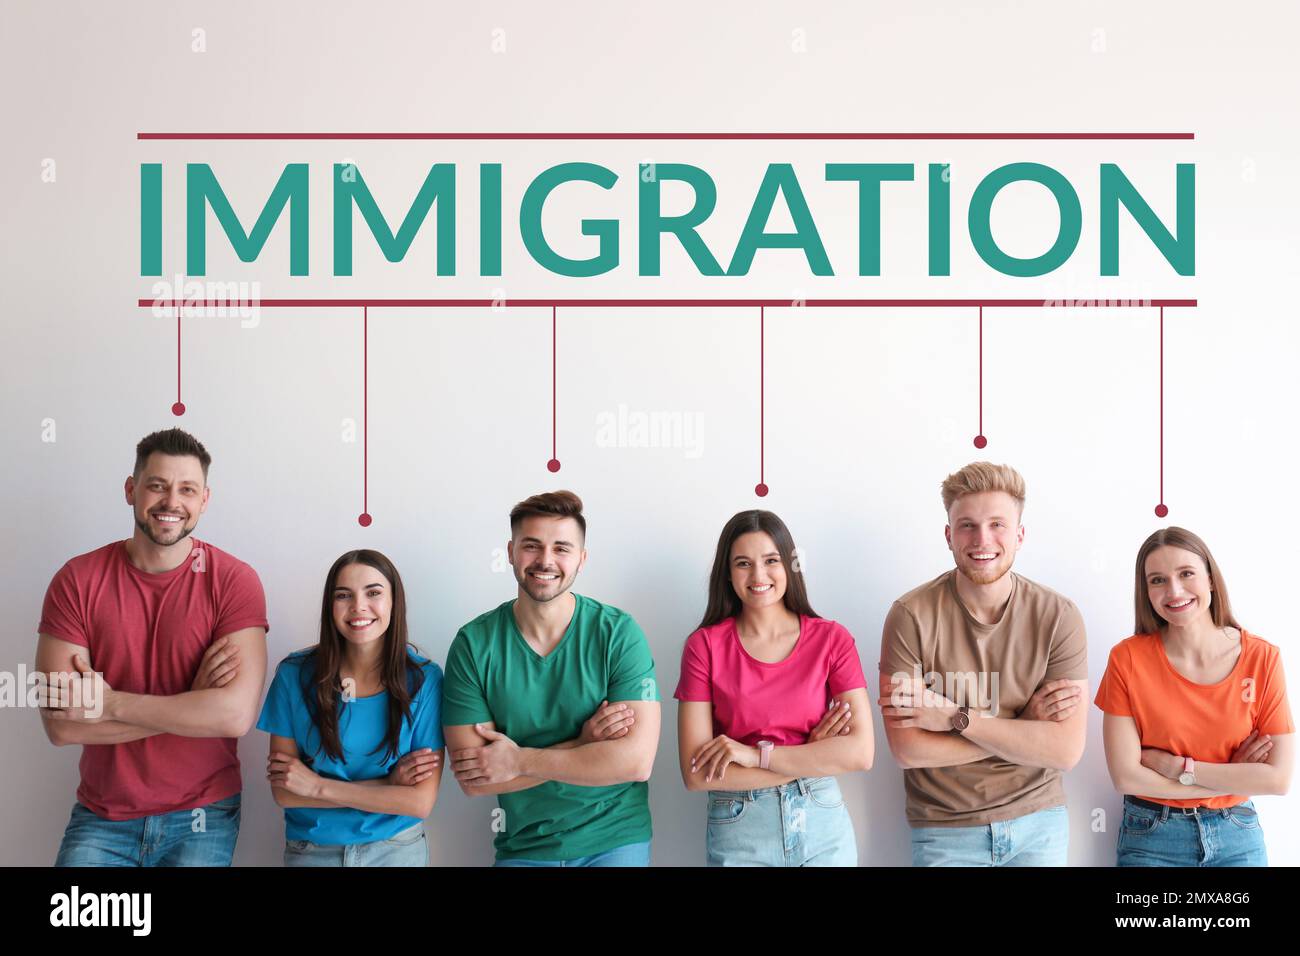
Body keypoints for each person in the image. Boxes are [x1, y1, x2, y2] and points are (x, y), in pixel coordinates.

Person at [37, 428, 268, 866]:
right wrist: (190, 705)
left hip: (203, 813)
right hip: (103, 816)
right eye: (157, 485)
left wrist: (107, 704)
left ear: (204, 500)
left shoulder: (233, 581)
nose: (171, 502)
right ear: (131, 490)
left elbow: (234, 716)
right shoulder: (77, 581)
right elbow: (62, 726)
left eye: (187, 490)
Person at [877, 461, 1088, 866]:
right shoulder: (910, 615)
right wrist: (1024, 727)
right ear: (948, 535)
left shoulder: (1059, 616)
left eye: (997, 524)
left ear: (1020, 535)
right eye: (968, 525)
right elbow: (907, 750)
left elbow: (1063, 751)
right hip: (944, 829)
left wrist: (955, 717)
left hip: (1038, 822)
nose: (982, 539)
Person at [441, 490, 660, 866]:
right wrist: (583, 744)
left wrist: (517, 760)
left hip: (614, 837)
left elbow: (635, 762)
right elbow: (477, 779)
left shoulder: (618, 634)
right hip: (524, 847)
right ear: (510, 552)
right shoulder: (474, 645)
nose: (545, 560)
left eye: (562, 548)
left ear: (582, 559)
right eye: (532, 546)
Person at [675, 510, 872, 866]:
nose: (759, 575)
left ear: (790, 566)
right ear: (728, 573)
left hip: (821, 823)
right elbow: (696, 773)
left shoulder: (832, 639)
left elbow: (860, 753)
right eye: (743, 563)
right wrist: (811, 754)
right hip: (740, 828)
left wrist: (755, 755)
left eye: (771, 560)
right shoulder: (703, 646)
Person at [1095, 526, 1294, 866]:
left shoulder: (1263, 658)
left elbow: (1278, 779)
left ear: (1211, 579)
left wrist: (1179, 768)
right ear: (1146, 591)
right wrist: (1231, 777)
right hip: (1152, 834)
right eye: (1157, 580)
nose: (1174, 590)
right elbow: (1125, 776)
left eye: (1186, 573)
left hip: (1237, 834)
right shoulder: (1127, 658)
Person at [257, 550, 444, 866]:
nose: (359, 606)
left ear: (393, 602)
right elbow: (285, 792)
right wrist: (387, 787)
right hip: (312, 851)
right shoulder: (293, 675)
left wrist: (317, 786)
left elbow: (419, 802)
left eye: (373, 593)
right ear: (330, 607)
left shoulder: (425, 680)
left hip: (396, 851)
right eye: (344, 595)